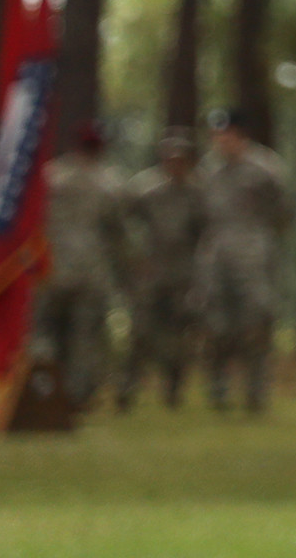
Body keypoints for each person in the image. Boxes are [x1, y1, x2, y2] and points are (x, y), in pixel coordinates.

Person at [193, 107, 292, 415]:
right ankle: (218, 392)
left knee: (256, 325)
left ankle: (256, 393)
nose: (221, 141)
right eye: (216, 135)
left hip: (253, 254)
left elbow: (285, 211)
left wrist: (264, 242)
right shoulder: (208, 171)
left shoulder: (266, 169)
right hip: (215, 256)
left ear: (240, 135)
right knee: (215, 327)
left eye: (227, 135)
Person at [32, 120, 127, 412]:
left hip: (50, 270)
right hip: (90, 273)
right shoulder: (111, 184)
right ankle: (76, 398)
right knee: (84, 337)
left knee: (46, 332)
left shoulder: (50, 177)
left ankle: (41, 391)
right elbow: (118, 234)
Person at [117, 126, 202, 411]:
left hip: (183, 273)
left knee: (179, 337)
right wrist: (134, 257)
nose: (174, 165)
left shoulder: (197, 192)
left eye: (180, 160)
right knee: (140, 333)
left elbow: (206, 231)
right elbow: (123, 225)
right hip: (150, 272)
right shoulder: (144, 189)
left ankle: (173, 391)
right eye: (169, 159)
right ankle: (126, 390)